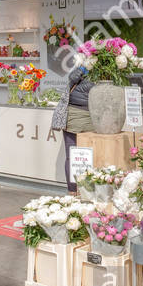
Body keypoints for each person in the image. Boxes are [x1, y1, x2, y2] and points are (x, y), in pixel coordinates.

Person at [48, 63, 92, 193]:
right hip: (89, 119)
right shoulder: (100, 76)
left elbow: (72, 78)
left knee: (72, 156)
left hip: (72, 118)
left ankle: (72, 191)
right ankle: (86, 190)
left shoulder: (82, 70)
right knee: (88, 157)